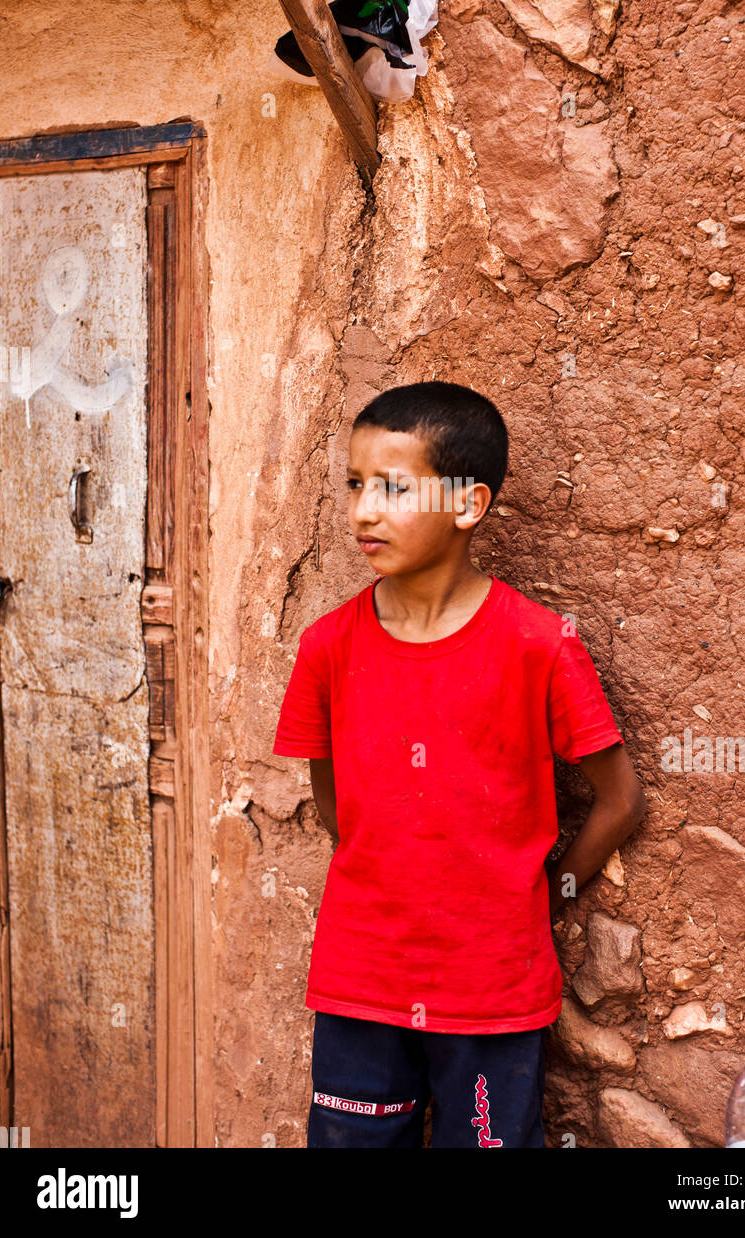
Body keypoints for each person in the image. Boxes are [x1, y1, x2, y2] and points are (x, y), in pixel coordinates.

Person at [272, 381, 646, 1148]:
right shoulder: (328, 648)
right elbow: (336, 804)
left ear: (469, 505)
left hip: (493, 982)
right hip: (361, 978)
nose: (364, 511)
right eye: (354, 485)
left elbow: (618, 800)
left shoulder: (539, 646)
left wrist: (542, 896)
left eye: (394, 488)